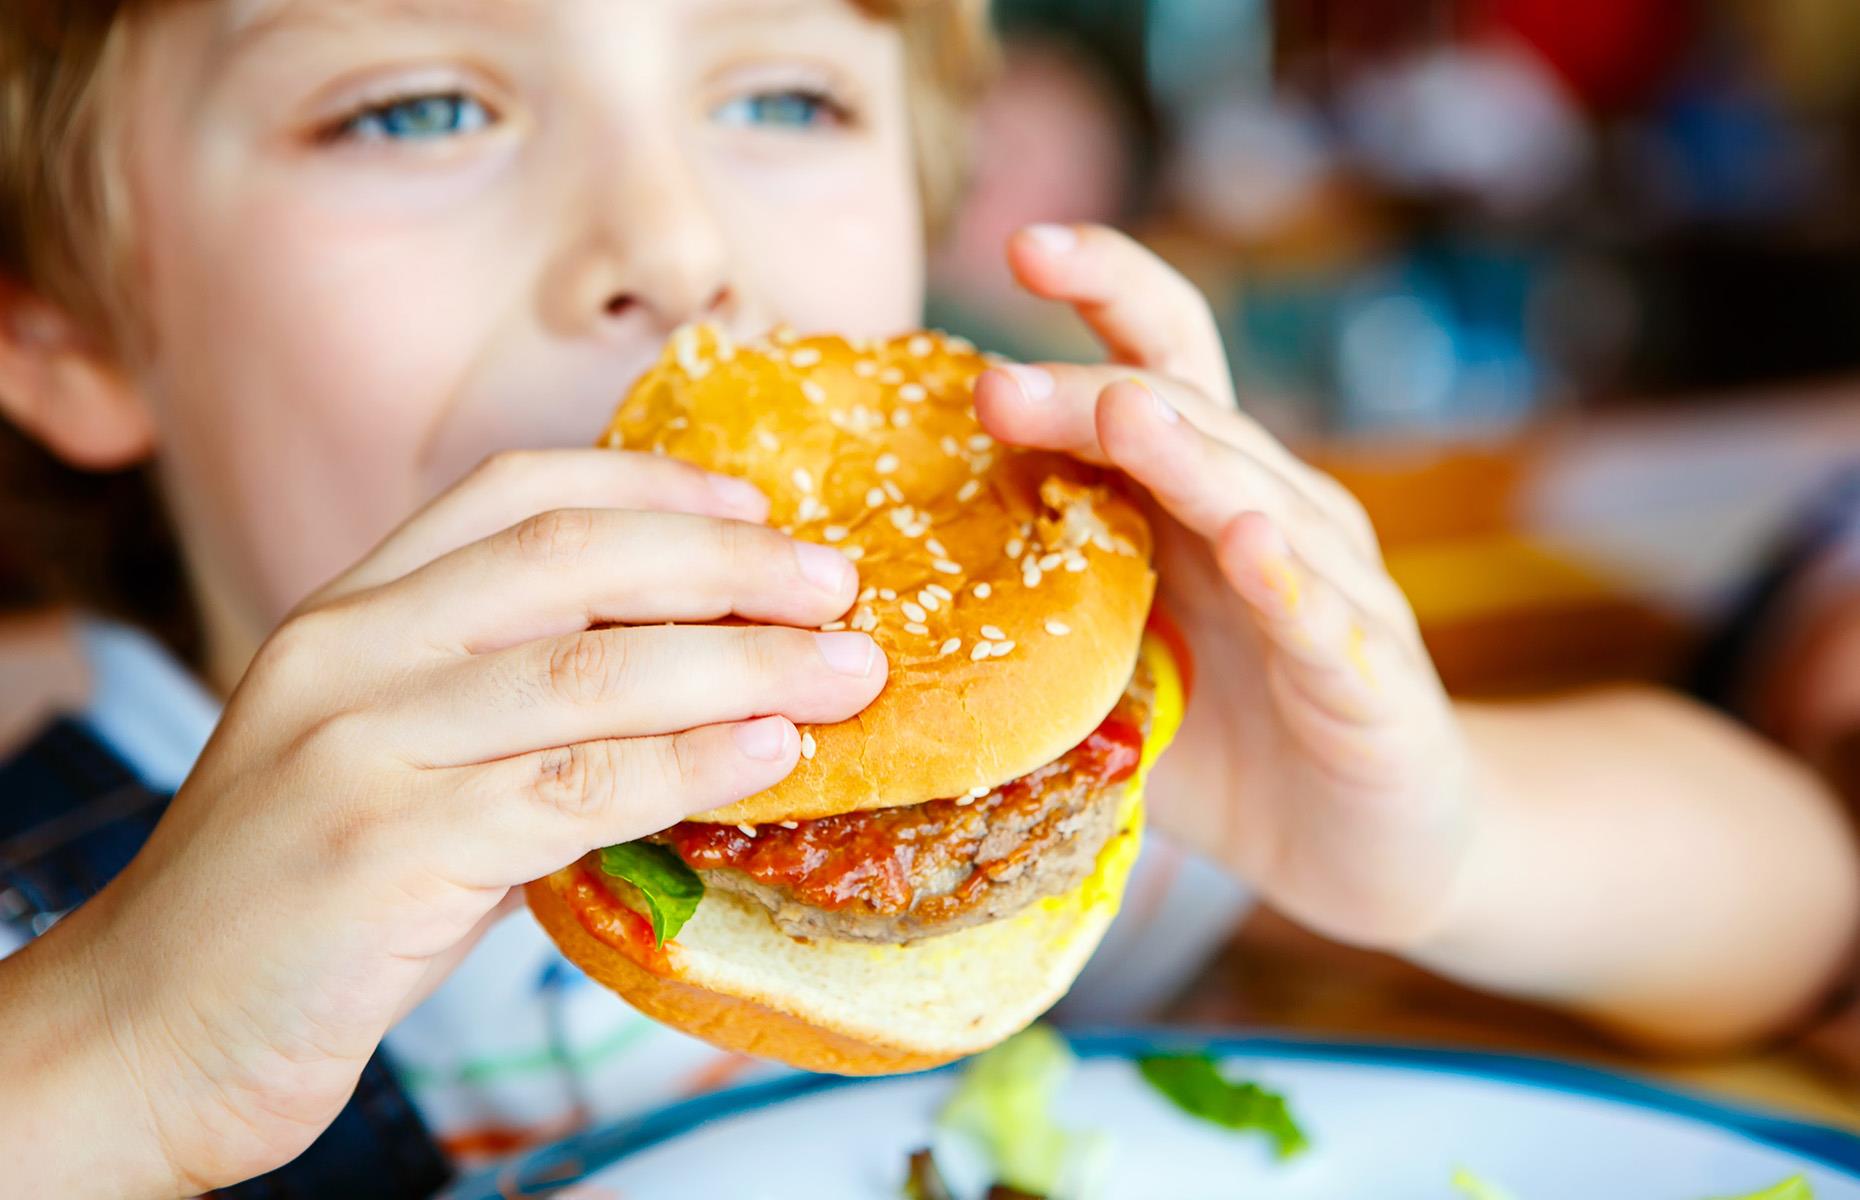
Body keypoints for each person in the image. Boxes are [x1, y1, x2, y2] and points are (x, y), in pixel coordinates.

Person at [0, 2, 1855, 1197]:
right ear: (60, 319)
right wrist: (107, 1055)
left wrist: (1441, 844)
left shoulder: (991, 787)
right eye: (415, 109)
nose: (674, 245)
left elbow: (1796, 903)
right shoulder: (51, 866)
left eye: (785, 92)